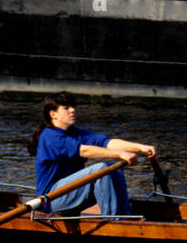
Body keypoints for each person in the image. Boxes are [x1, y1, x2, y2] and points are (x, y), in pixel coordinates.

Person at [27, 92, 156, 216]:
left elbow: (107, 143)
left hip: (70, 193)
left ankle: (125, 216)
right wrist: (120, 154)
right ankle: (113, 220)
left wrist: (140, 147)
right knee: (101, 169)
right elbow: (84, 150)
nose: (72, 110)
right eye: (66, 108)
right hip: (50, 199)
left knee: (112, 167)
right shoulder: (49, 135)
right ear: (53, 114)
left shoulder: (77, 134)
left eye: (72, 107)